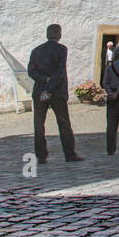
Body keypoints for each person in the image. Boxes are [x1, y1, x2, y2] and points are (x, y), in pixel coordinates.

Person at [27, 24, 83, 164]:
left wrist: (43, 82)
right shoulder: (61, 49)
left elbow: (31, 71)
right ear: (59, 35)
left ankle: (41, 155)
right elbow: (59, 72)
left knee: (39, 125)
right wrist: (49, 89)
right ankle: (69, 154)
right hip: (56, 91)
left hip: (39, 91)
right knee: (63, 123)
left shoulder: (36, 50)